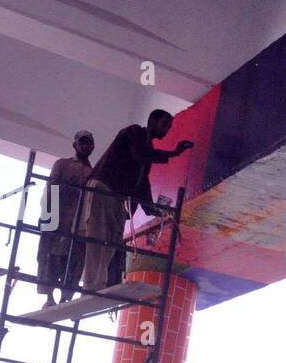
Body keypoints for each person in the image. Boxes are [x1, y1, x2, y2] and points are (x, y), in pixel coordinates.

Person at [79, 110, 193, 293]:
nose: (167, 131)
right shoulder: (135, 132)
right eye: (165, 125)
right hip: (102, 186)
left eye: (169, 127)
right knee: (98, 235)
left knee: (114, 238)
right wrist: (174, 153)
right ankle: (91, 286)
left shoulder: (146, 152)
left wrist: (151, 209)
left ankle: (98, 284)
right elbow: (141, 155)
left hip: (117, 195)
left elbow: (142, 183)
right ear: (152, 122)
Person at [36, 131, 94, 308]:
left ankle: (65, 296)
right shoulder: (62, 164)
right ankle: (50, 297)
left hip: (79, 223)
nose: (85, 146)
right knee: (51, 256)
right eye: (82, 142)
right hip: (58, 218)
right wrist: (48, 219)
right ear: (75, 144)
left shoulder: (92, 172)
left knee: (75, 259)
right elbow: (51, 189)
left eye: (89, 143)